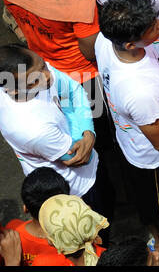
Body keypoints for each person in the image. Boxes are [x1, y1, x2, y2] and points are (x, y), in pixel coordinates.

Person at [88, 0, 159, 260]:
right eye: (152, 26)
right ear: (132, 43)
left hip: (130, 143)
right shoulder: (141, 89)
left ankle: (157, 240)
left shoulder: (105, 39)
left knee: (145, 199)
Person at [0, 44, 101, 210]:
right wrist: (83, 127)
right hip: (76, 191)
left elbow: (74, 90)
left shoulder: (33, 68)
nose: (48, 76)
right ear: (12, 90)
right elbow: (79, 157)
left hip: (90, 172)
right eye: (34, 80)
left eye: (44, 66)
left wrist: (88, 132)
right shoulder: (32, 130)